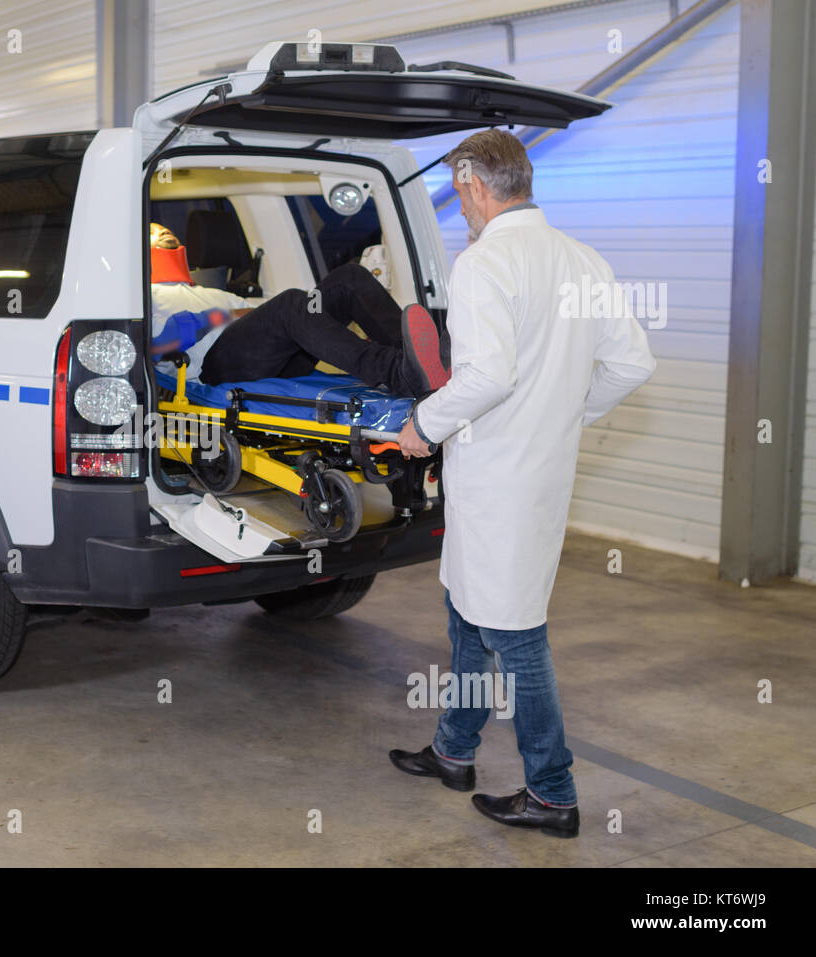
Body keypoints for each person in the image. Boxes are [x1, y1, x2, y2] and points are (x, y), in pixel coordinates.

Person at [389, 130, 656, 838]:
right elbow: (631, 363)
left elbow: (487, 375)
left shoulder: (483, 264)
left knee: (517, 634)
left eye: (458, 192)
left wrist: (423, 424)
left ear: (477, 185)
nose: (461, 208)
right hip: (534, 475)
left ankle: (552, 789)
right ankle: (453, 749)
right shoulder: (582, 260)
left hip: (497, 477)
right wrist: (568, 412)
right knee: (468, 611)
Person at [148, 223, 448, 395]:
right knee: (291, 302)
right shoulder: (145, 298)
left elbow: (261, 316)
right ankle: (396, 371)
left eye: (164, 232)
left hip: (274, 355)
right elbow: (160, 345)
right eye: (153, 233)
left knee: (349, 278)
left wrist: (250, 313)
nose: (163, 233)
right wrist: (224, 316)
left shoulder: (209, 292)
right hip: (216, 366)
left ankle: (417, 362)